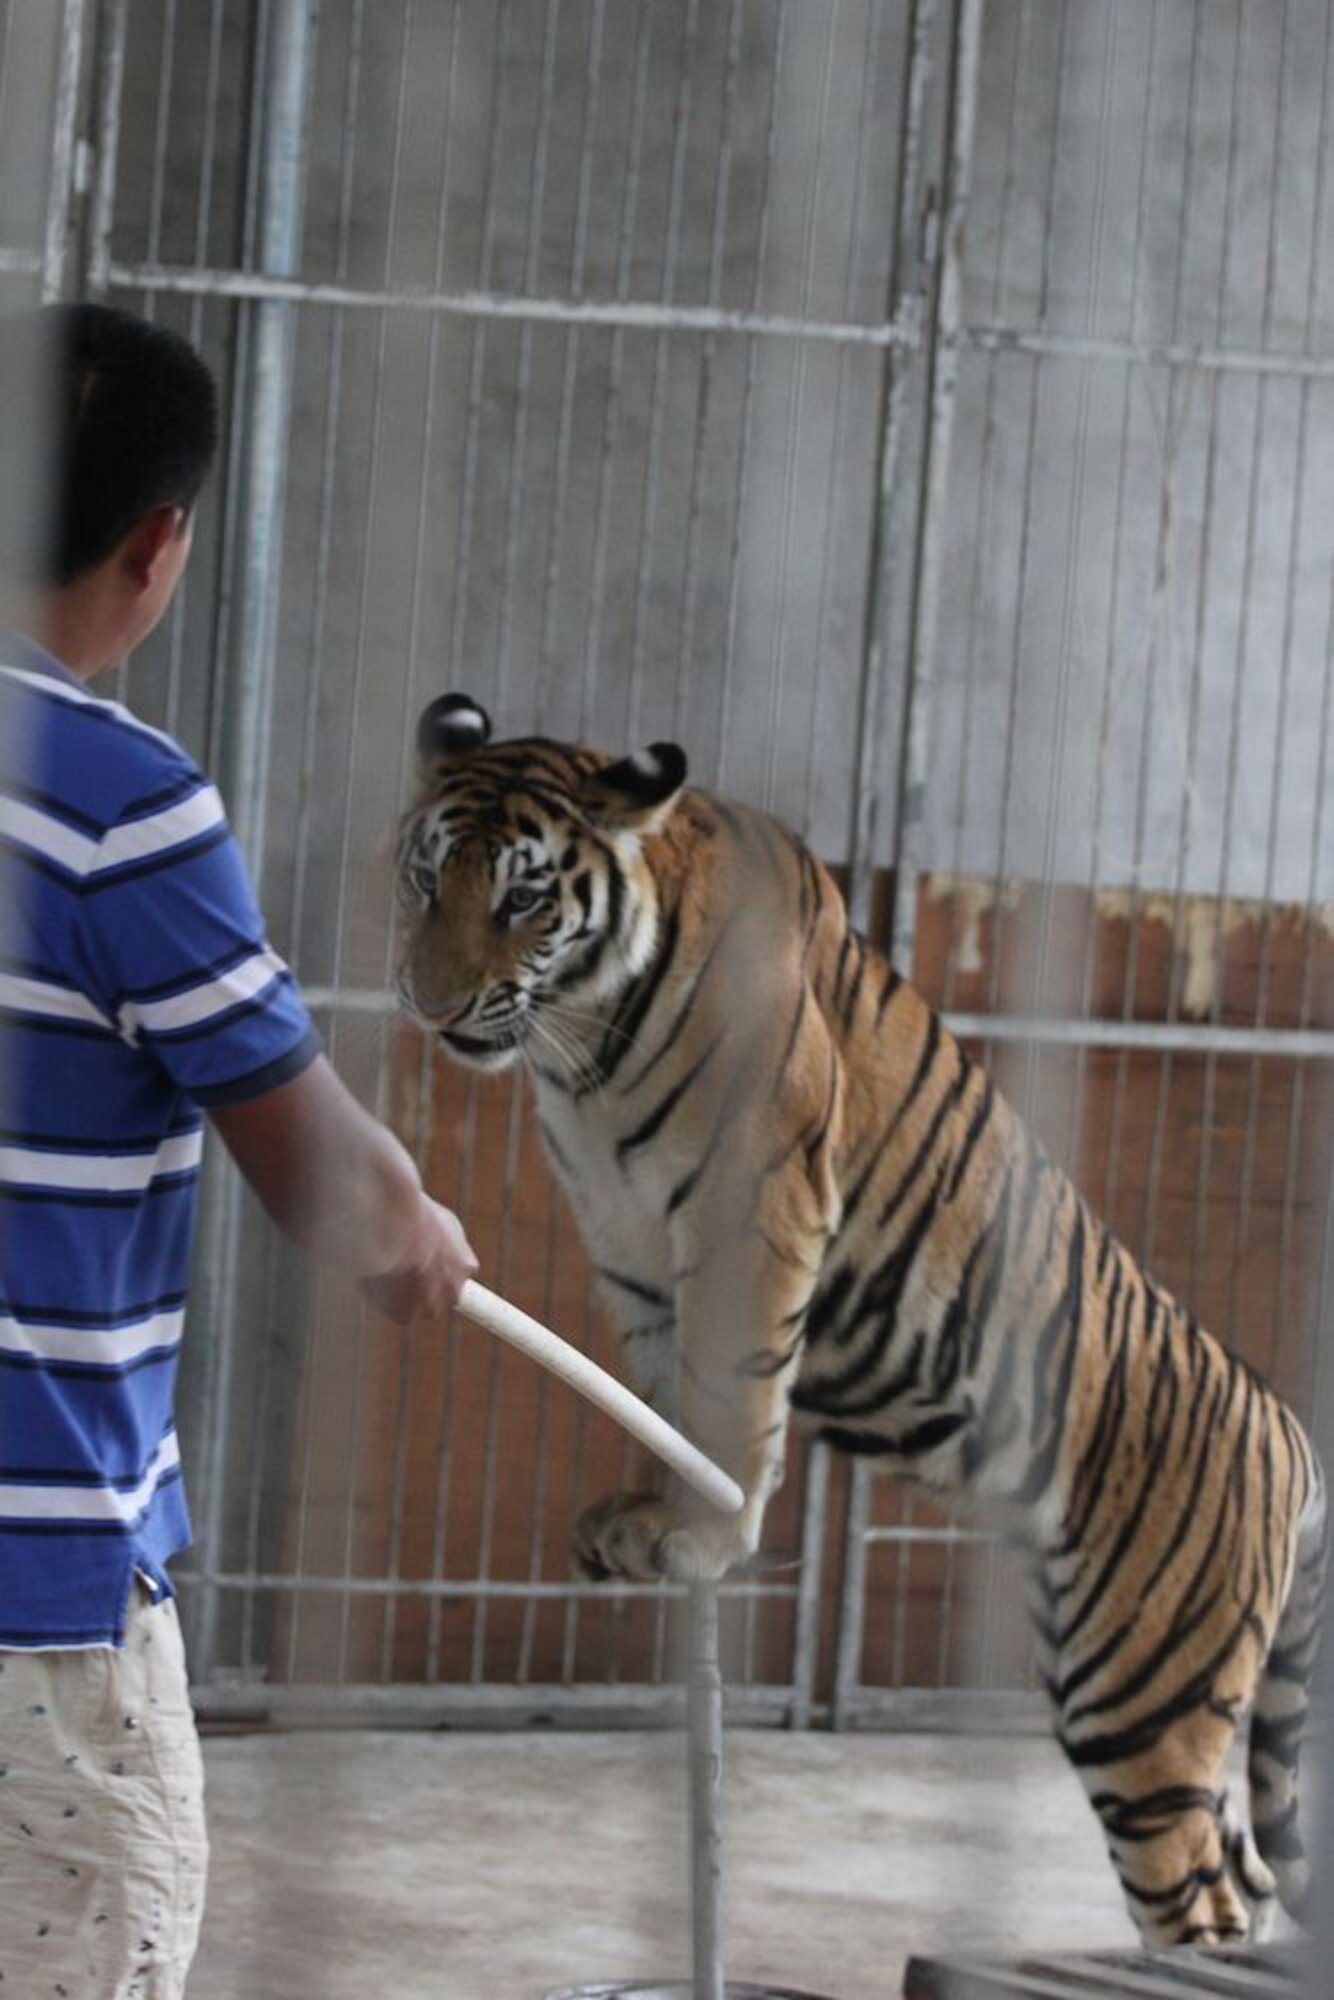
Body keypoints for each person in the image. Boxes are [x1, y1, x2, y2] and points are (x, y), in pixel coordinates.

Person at [0, 302, 477, 1997]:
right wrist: (412, 1224)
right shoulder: (116, 803)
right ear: (159, 544)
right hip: (28, 1595)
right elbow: (329, 1188)